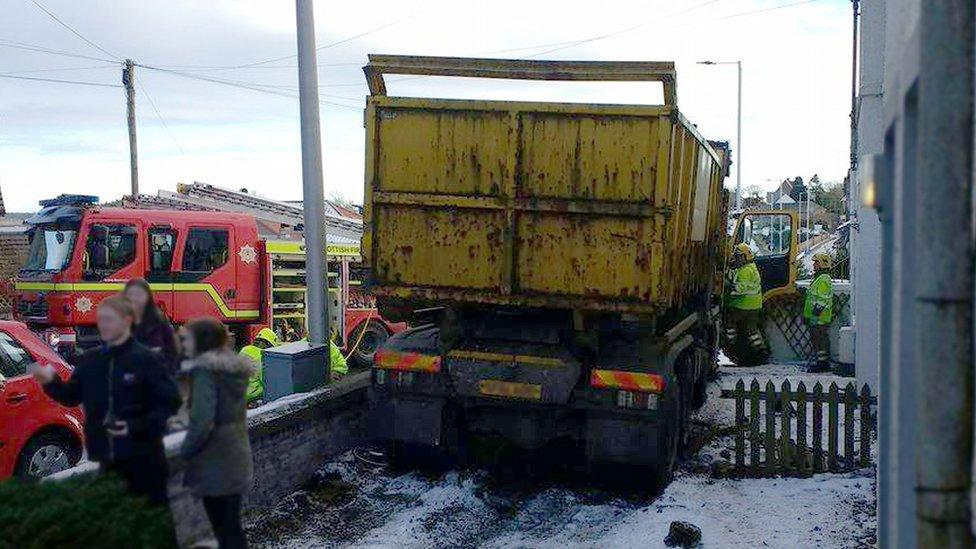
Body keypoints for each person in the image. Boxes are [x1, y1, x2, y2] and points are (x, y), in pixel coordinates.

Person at [34, 296, 181, 506]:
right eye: (101, 319)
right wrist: (50, 383)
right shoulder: (90, 360)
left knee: (147, 513)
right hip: (105, 456)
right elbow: (71, 396)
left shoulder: (148, 359)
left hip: (144, 456)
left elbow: (170, 403)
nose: (103, 325)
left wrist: (135, 425)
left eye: (110, 319)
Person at [180, 317, 254, 549]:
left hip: (216, 461)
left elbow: (202, 421)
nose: (184, 344)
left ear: (201, 342)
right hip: (237, 453)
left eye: (188, 339)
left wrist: (185, 451)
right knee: (231, 527)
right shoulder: (232, 370)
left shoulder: (205, 372)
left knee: (224, 528)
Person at [723, 243, 769, 366]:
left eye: (738, 256)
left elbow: (740, 289)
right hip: (754, 307)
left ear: (745, 257)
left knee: (729, 324)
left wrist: (727, 286)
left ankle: (730, 347)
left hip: (741, 306)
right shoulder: (751, 268)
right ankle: (761, 353)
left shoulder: (745, 271)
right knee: (752, 331)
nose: (736, 259)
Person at [124, 278, 180, 373]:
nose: (134, 299)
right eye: (131, 294)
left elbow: (171, 349)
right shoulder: (121, 321)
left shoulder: (158, 320)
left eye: (139, 295)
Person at [804, 253, 835, 373]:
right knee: (817, 339)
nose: (814, 265)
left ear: (822, 264)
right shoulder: (821, 278)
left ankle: (822, 364)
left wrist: (815, 315)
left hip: (820, 317)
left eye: (816, 262)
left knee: (820, 340)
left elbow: (822, 299)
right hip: (817, 317)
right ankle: (822, 362)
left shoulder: (823, 279)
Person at [240, 327, 278, 404]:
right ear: (268, 344)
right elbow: (267, 381)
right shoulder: (262, 357)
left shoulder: (244, 350)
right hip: (248, 396)